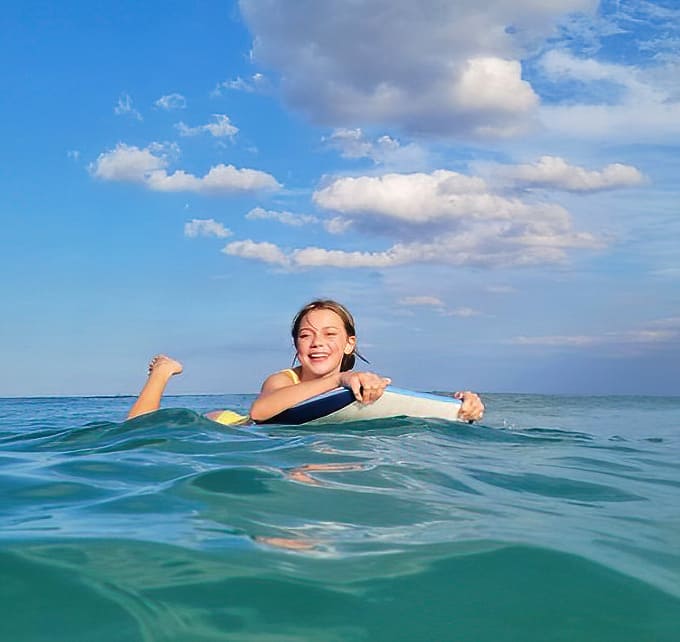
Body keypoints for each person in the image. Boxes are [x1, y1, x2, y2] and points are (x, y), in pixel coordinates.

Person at [126, 299, 484, 423]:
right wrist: (338, 380)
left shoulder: (360, 385)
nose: (317, 343)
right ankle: (162, 372)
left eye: (330, 334)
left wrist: (459, 407)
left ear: (349, 344)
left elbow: (407, 405)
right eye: (306, 335)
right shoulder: (283, 379)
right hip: (229, 428)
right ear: (297, 345)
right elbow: (263, 410)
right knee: (139, 431)